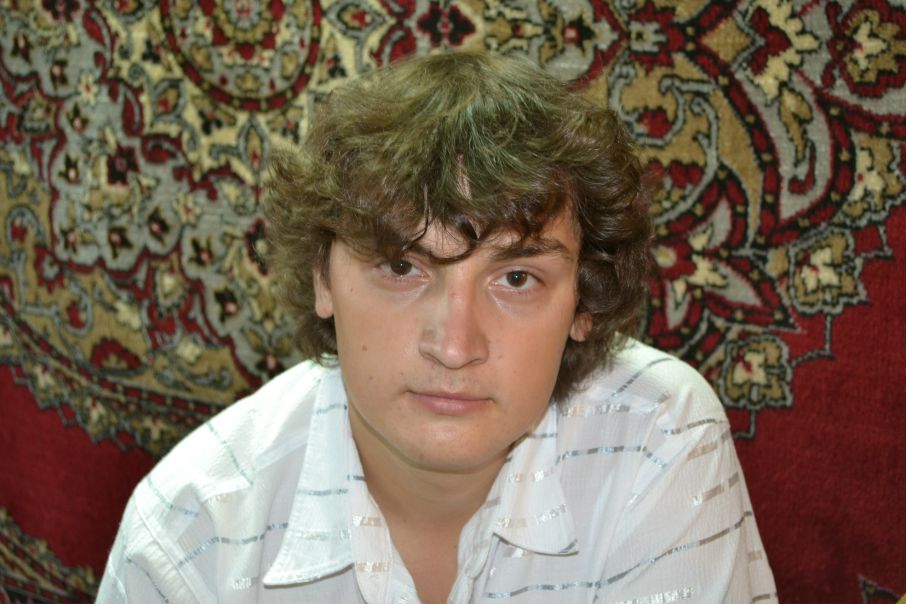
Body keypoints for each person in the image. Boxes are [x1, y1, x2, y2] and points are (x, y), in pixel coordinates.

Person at [96, 52, 776, 604]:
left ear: (584, 303)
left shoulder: (658, 437)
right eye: (402, 266)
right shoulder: (188, 535)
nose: (454, 347)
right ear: (322, 278)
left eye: (517, 278)